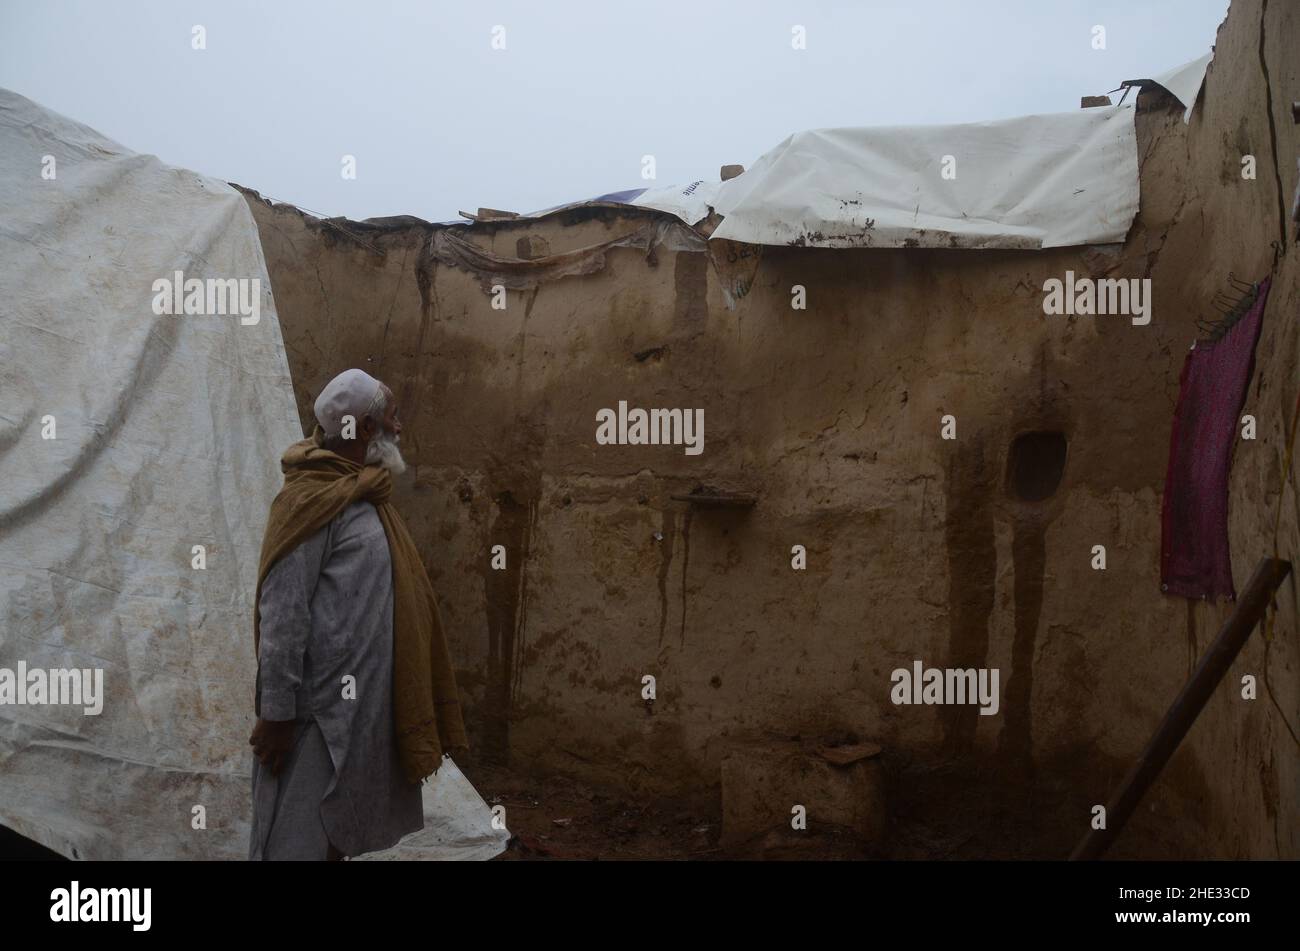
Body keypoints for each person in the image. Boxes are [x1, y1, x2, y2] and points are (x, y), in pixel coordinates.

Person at [248, 368, 468, 860]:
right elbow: (282, 614)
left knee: (336, 837)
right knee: (294, 840)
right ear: (366, 429)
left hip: (358, 713)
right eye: (393, 417)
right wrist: (277, 714)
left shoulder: (365, 492)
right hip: (313, 718)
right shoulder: (308, 501)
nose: (400, 427)